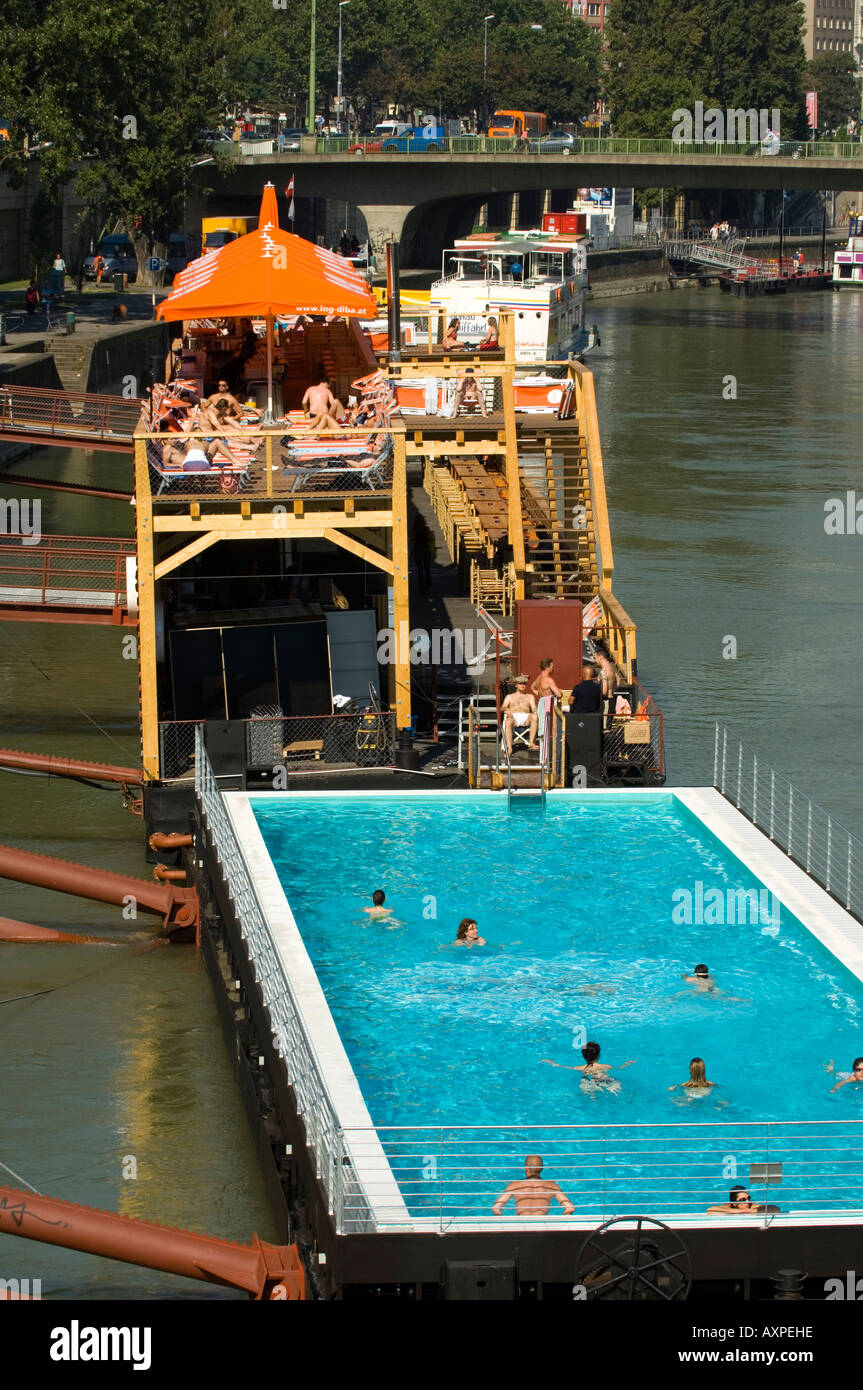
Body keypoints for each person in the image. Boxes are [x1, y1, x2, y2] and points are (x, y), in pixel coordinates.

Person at [492, 1155, 575, 1217]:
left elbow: (496, 1208)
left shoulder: (515, 1185)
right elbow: (570, 1208)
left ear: (526, 1168)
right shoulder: (551, 1186)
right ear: (542, 1168)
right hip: (542, 1225)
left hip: (521, 1225)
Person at [541, 1040, 636, 1082]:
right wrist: (628, 1063)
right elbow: (619, 1068)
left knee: (587, 1087)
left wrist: (551, 1062)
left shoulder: (579, 1068)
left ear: (584, 1056)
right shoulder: (606, 1066)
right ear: (599, 1055)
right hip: (605, 1079)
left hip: (589, 1081)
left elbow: (561, 1066)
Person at [501, 675, 538, 752]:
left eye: (524, 684)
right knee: (508, 722)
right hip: (514, 717)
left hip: (526, 717)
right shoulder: (510, 696)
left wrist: (535, 711)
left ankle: (531, 743)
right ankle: (509, 747)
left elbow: (533, 708)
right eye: (520, 684)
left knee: (534, 717)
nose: (522, 685)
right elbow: (502, 707)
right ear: (516, 685)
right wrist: (507, 710)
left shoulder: (530, 696)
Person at [707, 1185, 776, 1215]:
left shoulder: (751, 1207)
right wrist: (739, 1211)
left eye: (748, 1198)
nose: (748, 1202)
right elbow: (710, 1210)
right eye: (743, 1200)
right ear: (734, 1203)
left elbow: (775, 1209)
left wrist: (752, 1211)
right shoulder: (728, 1207)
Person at [412, 513, 433, 591]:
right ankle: (428, 584)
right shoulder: (426, 529)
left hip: (417, 550)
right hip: (425, 549)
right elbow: (431, 538)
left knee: (420, 569)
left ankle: (421, 585)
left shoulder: (414, 529)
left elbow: (411, 538)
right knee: (427, 568)